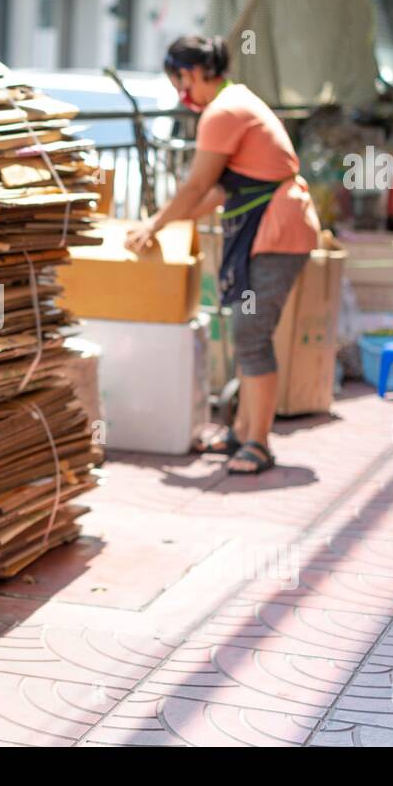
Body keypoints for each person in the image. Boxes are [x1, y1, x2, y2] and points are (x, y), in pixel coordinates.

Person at [126, 35, 320, 475]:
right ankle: (244, 432)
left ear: (190, 73)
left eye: (179, 79)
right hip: (265, 226)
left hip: (276, 229)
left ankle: (259, 443)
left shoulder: (223, 112)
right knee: (245, 332)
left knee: (251, 334)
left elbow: (197, 187)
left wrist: (155, 223)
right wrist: (163, 224)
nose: (181, 90)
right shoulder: (234, 102)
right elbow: (216, 193)